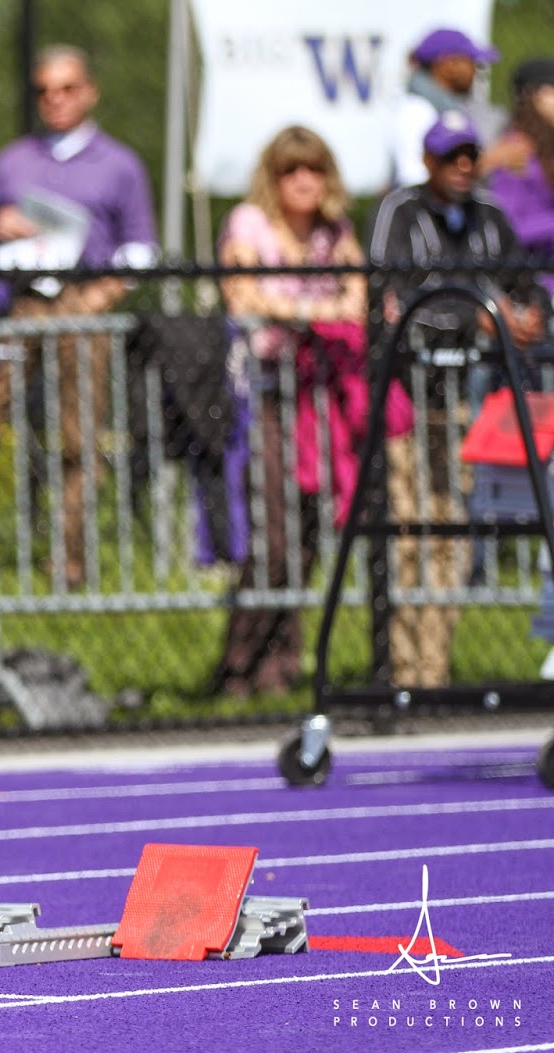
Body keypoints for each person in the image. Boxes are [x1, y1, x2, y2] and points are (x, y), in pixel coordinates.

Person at [0, 44, 157, 589]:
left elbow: (141, 247)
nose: (54, 100)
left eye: (66, 88)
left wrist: (103, 295)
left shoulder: (120, 165)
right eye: (44, 90)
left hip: (82, 303)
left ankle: (71, 558)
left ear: (89, 91)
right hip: (19, 301)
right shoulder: (14, 160)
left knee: (78, 433)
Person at [369, 113, 549, 688]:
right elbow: (390, 302)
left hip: (466, 403)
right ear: (428, 162)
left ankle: (434, 672)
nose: (464, 166)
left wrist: (526, 318)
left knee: (452, 534)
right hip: (408, 399)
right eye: (451, 157)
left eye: (471, 154)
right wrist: (473, 317)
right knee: (411, 529)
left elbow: (526, 289)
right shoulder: (400, 213)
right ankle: (402, 673)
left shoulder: (491, 217)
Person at [209, 127, 371, 699]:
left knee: (307, 532)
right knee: (272, 535)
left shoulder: (336, 232)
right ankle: (238, 665)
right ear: (272, 178)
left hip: (318, 393)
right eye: (290, 171)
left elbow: (356, 303)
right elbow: (243, 297)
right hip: (263, 393)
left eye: (314, 170)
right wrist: (313, 308)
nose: (304, 181)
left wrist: (298, 310)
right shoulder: (249, 224)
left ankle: (280, 665)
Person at [391, 28, 515, 190]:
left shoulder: (442, 106)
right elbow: (415, 180)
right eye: (473, 63)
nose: (476, 72)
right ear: (448, 64)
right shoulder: (416, 111)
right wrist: (488, 162)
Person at [488, 58, 554, 302]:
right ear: (533, 95)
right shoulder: (515, 151)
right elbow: (507, 226)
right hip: (535, 285)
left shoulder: (546, 147)